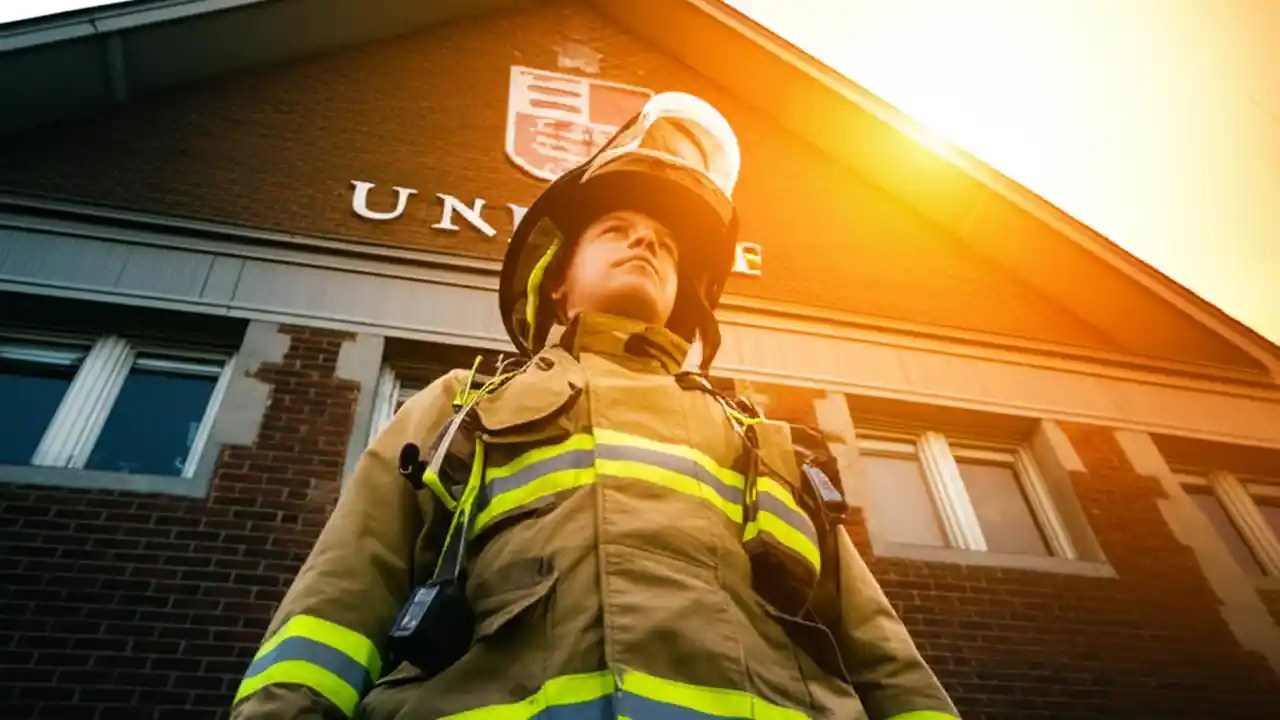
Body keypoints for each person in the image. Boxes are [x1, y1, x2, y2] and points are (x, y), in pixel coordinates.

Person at [231, 92, 959, 720]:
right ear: (556, 279)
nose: (646, 241)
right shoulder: (459, 406)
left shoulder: (766, 441)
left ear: (683, 297)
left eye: (667, 246)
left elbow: (881, 652)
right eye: (617, 229)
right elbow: (340, 600)